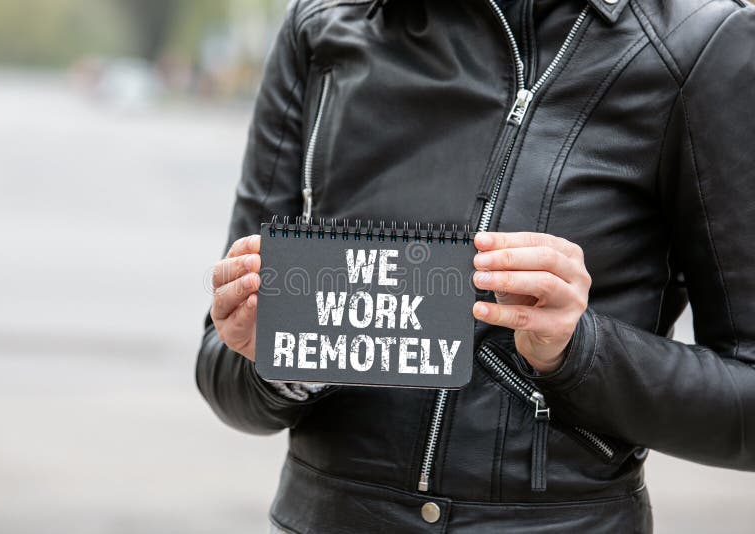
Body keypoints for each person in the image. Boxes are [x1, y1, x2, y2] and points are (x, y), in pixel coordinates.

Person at [196, 0, 755, 531]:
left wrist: (579, 351)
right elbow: (221, 366)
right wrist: (280, 357)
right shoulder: (320, 24)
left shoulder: (699, 43)